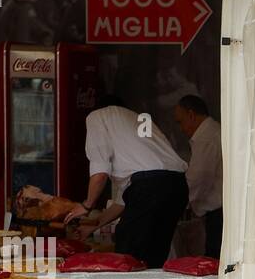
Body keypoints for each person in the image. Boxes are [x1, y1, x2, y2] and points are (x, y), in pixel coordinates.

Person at [64, 97, 189, 268]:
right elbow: (122, 202)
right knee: (153, 257)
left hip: (151, 187)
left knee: (129, 256)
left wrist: (86, 205)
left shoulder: (96, 117)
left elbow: (100, 174)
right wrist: (94, 226)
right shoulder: (133, 122)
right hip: (177, 186)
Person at [173, 95, 222, 259]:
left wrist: (178, 205)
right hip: (217, 211)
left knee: (213, 263)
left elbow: (198, 179)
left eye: (180, 121)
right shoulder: (213, 132)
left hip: (218, 213)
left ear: (191, 115)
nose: (181, 128)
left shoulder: (206, 138)